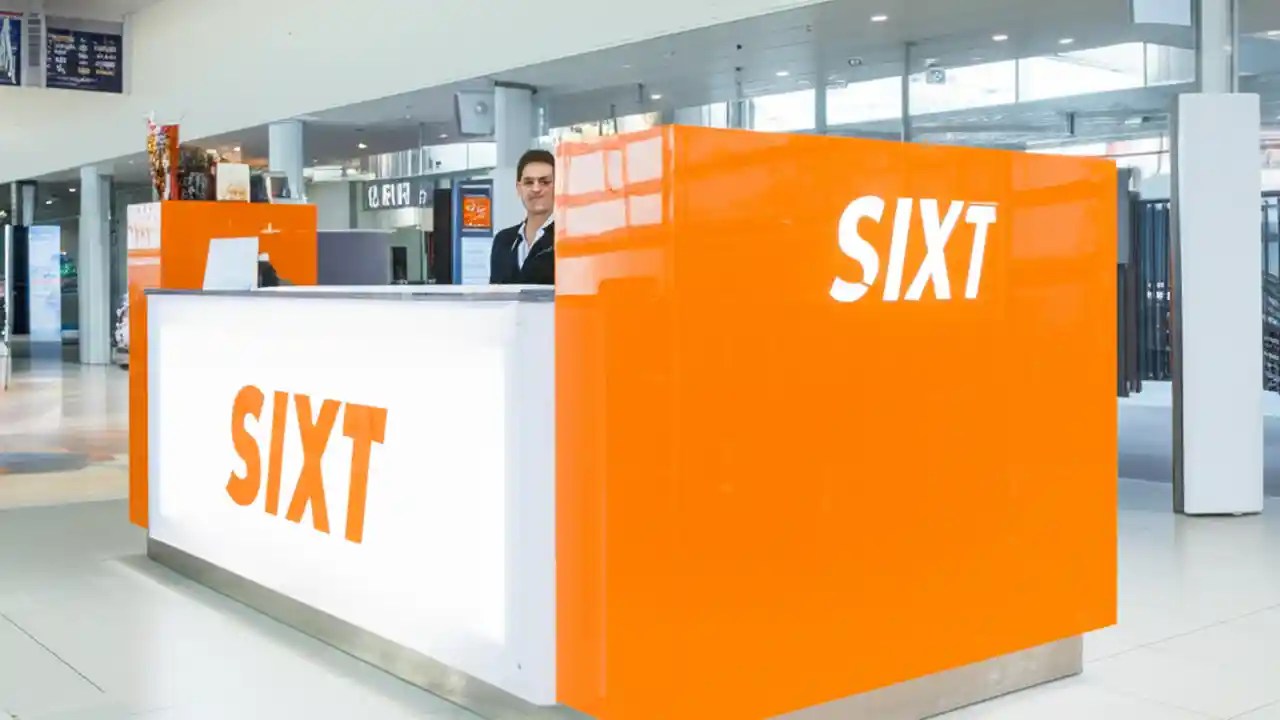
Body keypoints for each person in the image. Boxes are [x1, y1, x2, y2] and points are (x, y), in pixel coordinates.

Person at [491, 149, 555, 285]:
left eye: (544, 182)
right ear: (519, 188)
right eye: (529, 182)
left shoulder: (568, 241)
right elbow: (495, 297)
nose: (536, 189)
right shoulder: (503, 241)